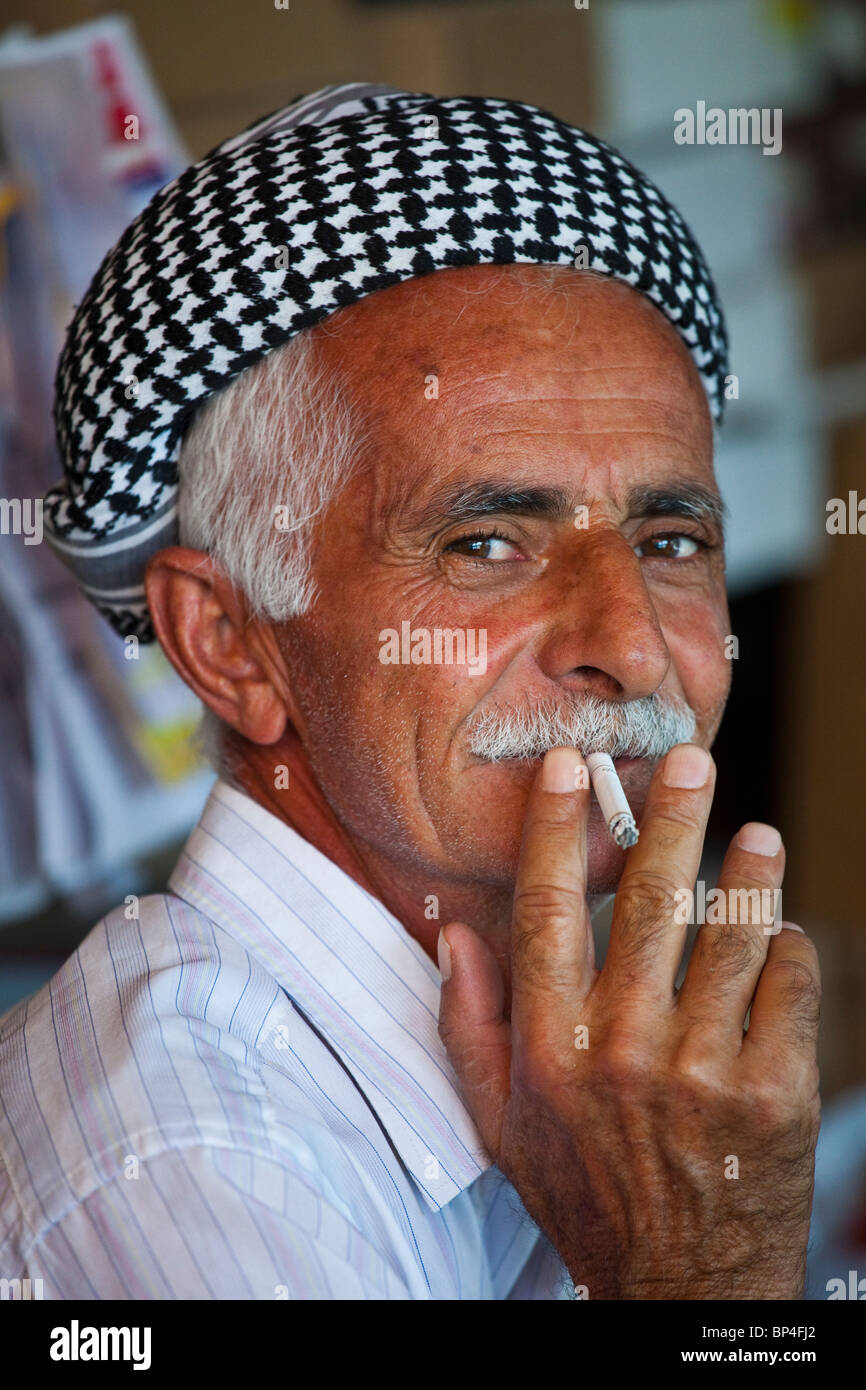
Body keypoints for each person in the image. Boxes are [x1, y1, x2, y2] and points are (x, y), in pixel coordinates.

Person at [0, 84, 819, 1300]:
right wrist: (702, 1270)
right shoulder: (197, 1171)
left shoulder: (597, 1057)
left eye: (666, 539)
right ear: (229, 642)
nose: (635, 649)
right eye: (486, 542)